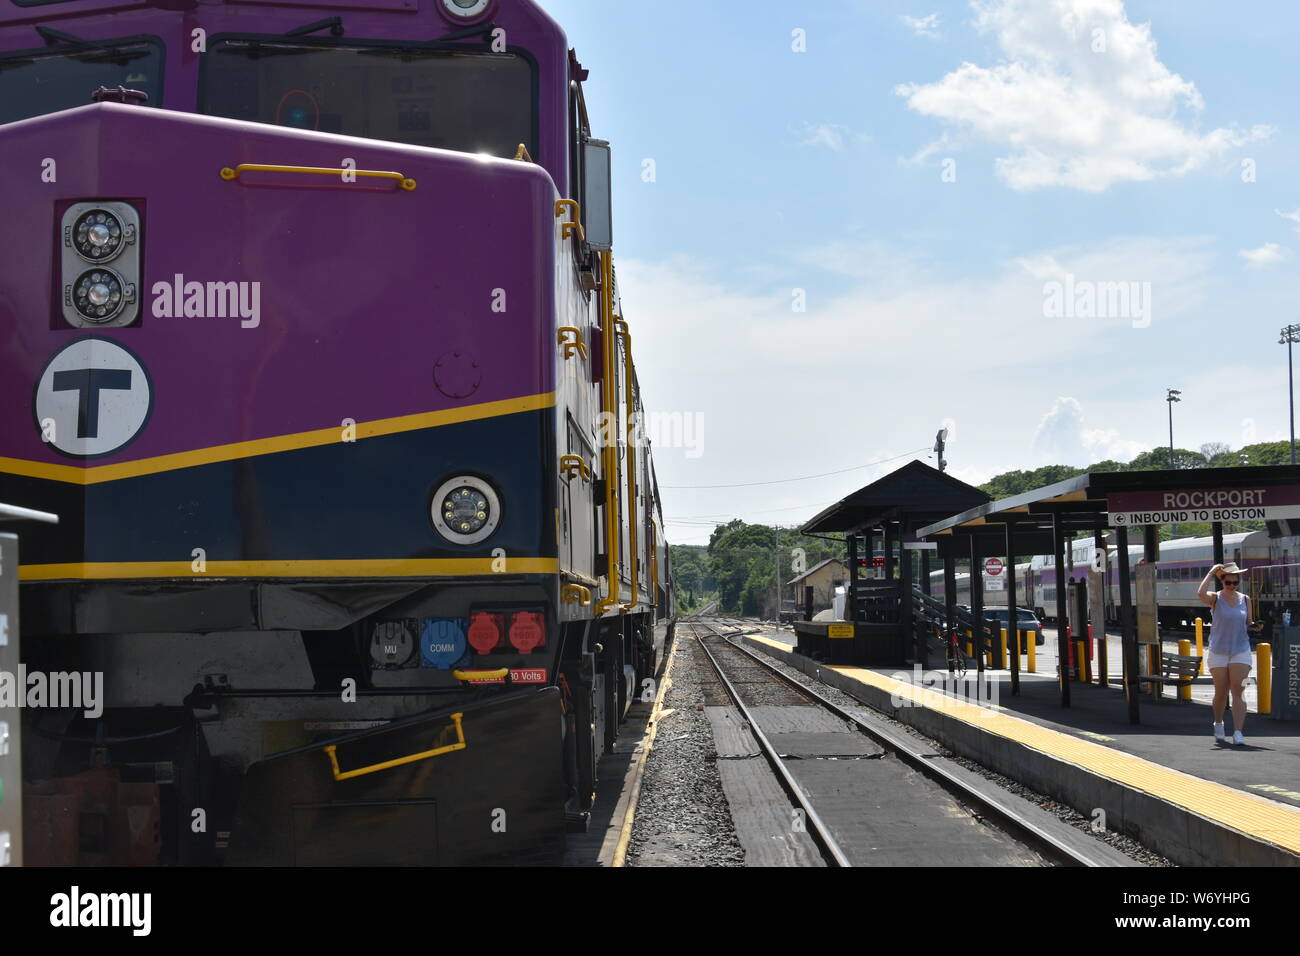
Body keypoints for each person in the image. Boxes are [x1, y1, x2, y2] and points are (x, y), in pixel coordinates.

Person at [1197, 562, 1262, 745]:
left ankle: (1238, 732)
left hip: (1240, 649)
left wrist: (1254, 626)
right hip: (1218, 650)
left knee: (1239, 690)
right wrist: (1211, 572)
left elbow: (1248, 622)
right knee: (1221, 691)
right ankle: (1218, 723)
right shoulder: (1215, 598)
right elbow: (1200, 594)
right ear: (1222, 582)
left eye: (1235, 583)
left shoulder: (1245, 599)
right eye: (1228, 583)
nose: (1232, 586)